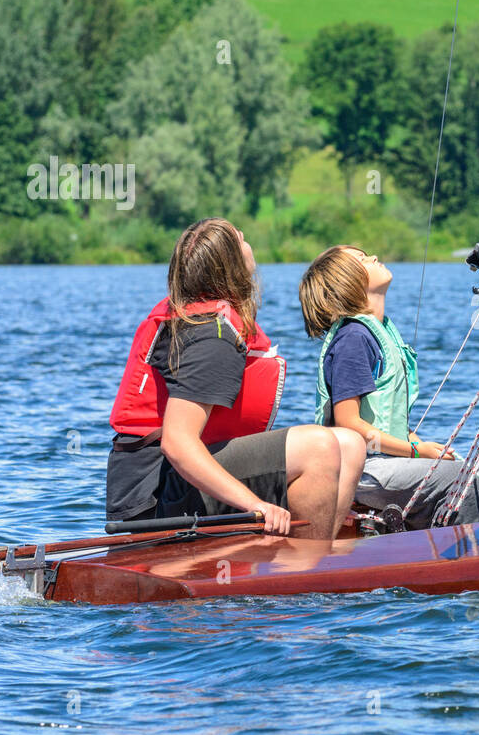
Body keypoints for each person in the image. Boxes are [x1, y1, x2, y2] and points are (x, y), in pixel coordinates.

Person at [106, 218, 366, 539]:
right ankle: (304, 575)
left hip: (169, 485)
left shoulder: (210, 323)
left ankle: (323, 556)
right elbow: (177, 443)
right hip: (152, 499)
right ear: (231, 265)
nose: (248, 241)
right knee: (318, 446)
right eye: (240, 239)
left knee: (350, 444)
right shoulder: (213, 337)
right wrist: (256, 506)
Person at [299, 245, 479, 531]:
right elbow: (349, 425)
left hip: (387, 464)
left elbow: (386, 421)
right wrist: (416, 452)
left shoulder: (377, 332)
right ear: (347, 281)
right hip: (366, 471)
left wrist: (420, 445)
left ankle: (471, 551)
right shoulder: (353, 339)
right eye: (362, 259)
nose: (373, 257)